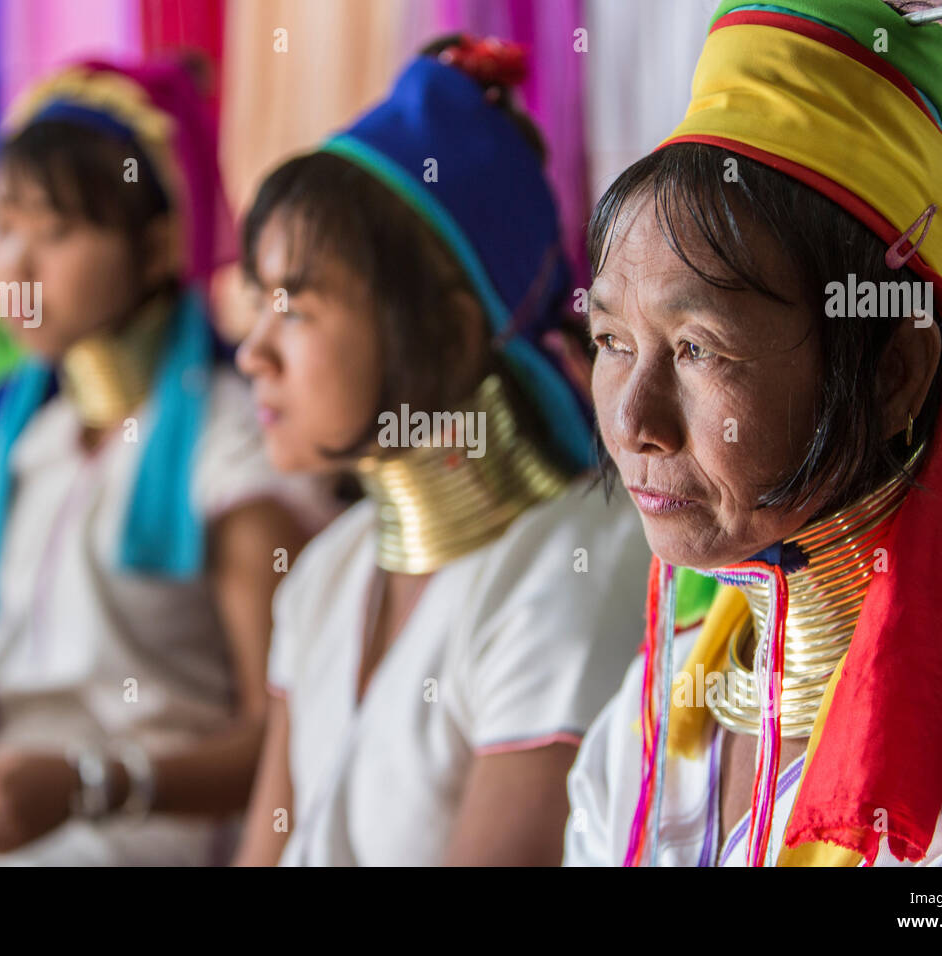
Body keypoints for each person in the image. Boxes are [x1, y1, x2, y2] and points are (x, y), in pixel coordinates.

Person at [565, 0, 942, 867]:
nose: (632, 423)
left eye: (698, 349)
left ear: (890, 374)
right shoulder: (653, 711)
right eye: (613, 342)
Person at [0, 57, 330, 865]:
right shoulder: (24, 438)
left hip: (129, 841)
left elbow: (289, 728)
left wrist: (93, 782)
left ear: (156, 247)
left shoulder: (233, 463)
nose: (15, 267)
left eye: (57, 231)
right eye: (2, 226)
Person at [231, 36, 650, 866]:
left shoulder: (575, 569)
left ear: (452, 330)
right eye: (259, 305)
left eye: (297, 309)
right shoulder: (328, 573)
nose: (252, 353)